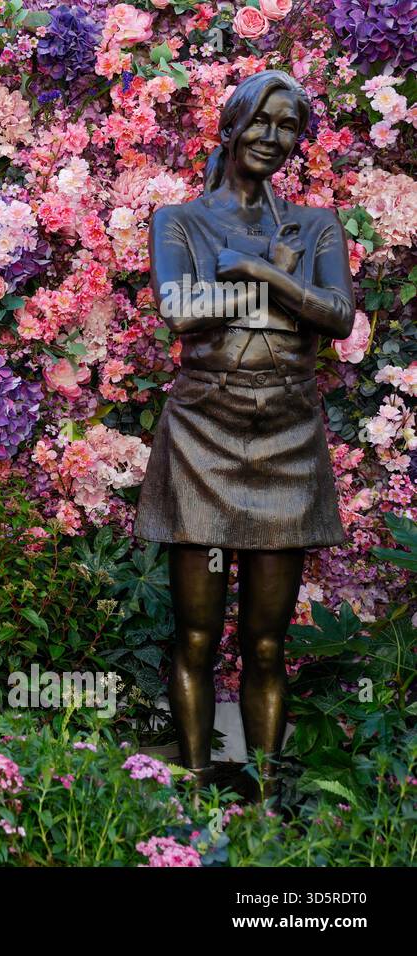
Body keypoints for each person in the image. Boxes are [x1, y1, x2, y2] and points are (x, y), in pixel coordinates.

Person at [135, 70, 355, 800]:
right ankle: (195, 789)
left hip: (288, 435)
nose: (272, 137)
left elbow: (339, 316)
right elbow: (178, 306)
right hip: (203, 432)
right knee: (195, 636)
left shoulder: (316, 226)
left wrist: (258, 270)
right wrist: (287, 293)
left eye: (288, 127)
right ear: (231, 126)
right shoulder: (180, 221)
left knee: (268, 642)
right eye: (261, 120)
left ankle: (264, 801)